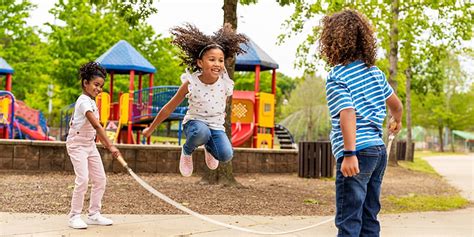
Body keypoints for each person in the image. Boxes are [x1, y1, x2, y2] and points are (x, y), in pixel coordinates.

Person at [319, 10, 403, 237]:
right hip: (377, 152)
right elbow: (396, 105)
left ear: (332, 42)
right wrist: (397, 121)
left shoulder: (338, 76)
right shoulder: (375, 73)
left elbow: (347, 112)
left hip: (357, 152)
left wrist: (349, 153)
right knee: (369, 215)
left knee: (349, 219)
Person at [142, 23, 248, 177]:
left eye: (220, 60)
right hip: (195, 124)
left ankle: (209, 148)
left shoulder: (225, 83)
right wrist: (150, 129)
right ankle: (187, 150)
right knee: (201, 132)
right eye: (212, 59)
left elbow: (223, 100)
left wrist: (221, 113)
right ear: (200, 63)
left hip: (216, 126)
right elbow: (168, 108)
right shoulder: (191, 82)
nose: (217, 64)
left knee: (226, 155)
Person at [66, 62, 121, 229]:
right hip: (77, 145)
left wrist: (100, 141)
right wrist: (111, 146)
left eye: (101, 86)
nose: (99, 89)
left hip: (90, 145)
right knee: (82, 179)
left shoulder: (91, 101)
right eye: (96, 85)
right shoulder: (83, 101)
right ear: (85, 83)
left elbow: (93, 128)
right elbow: (97, 125)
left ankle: (94, 214)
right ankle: (74, 216)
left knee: (100, 179)